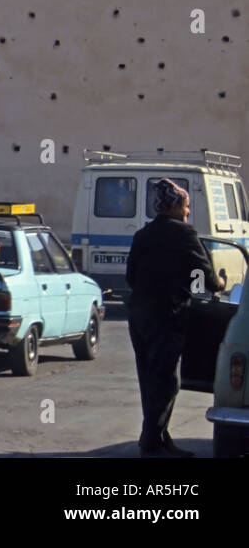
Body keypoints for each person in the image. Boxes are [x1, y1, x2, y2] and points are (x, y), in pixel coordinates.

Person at [125, 177, 222, 457]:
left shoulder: (143, 235)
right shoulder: (184, 233)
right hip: (166, 316)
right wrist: (219, 284)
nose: (188, 211)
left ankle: (158, 436)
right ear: (176, 205)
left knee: (149, 378)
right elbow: (205, 276)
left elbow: (131, 276)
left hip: (139, 316)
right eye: (187, 205)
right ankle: (151, 441)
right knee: (168, 381)